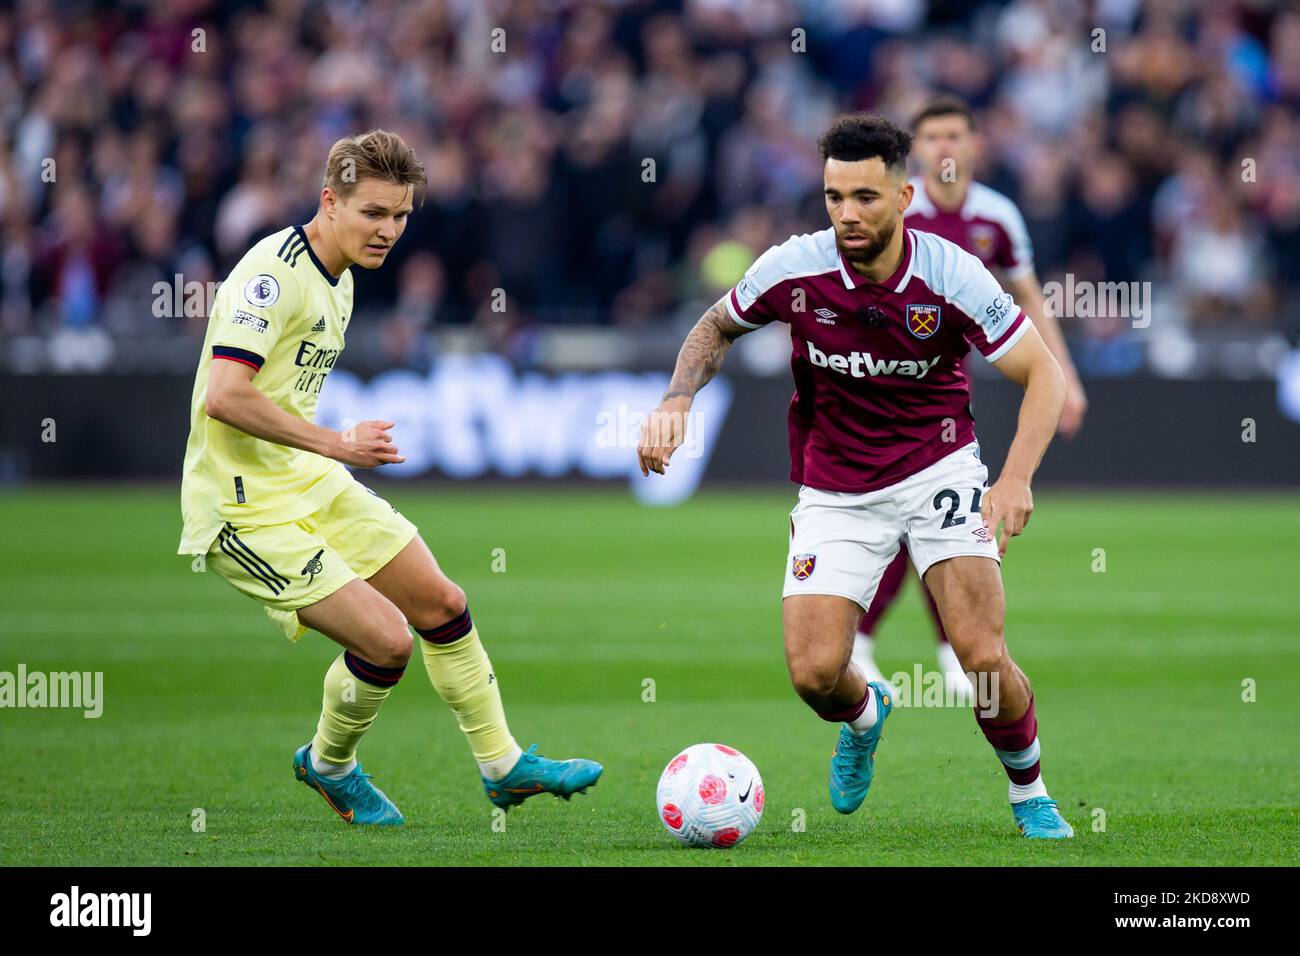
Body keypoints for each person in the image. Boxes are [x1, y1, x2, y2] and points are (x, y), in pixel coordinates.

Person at [638, 113, 1073, 838]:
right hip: (836, 486)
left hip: (939, 468)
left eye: (865, 197)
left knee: (981, 656)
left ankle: (1030, 792)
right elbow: (715, 325)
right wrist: (677, 399)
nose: (847, 214)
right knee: (813, 675)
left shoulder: (952, 273)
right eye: (835, 196)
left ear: (904, 197)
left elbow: (1044, 375)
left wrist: (1016, 477)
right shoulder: (793, 267)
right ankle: (867, 714)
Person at [178, 129, 601, 826]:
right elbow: (225, 394)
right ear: (330, 201)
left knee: (440, 602)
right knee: (386, 641)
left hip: (304, 477)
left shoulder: (339, 278)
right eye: (374, 213)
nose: (389, 231)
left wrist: (324, 453)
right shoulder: (272, 275)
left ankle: (503, 765)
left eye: (401, 215)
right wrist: (337, 443)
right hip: (241, 506)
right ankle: (329, 764)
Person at [851, 95, 1089, 701]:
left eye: (956, 135)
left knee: (943, 517)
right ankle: (872, 644)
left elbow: (1030, 299)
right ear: (917, 152)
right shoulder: (901, 212)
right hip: (886, 386)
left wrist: (1064, 376)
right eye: (932, 138)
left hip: (957, 383)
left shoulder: (998, 217)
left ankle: (941, 650)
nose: (945, 147)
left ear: (976, 145)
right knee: (912, 518)